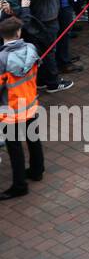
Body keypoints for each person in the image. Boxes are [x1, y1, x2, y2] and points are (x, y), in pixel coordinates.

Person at [0, 15, 42, 200]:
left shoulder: (2, 58)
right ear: (18, 32)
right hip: (31, 103)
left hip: (10, 110)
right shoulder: (31, 49)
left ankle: (19, 186)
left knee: (14, 148)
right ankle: (36, 170)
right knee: (33, 139)